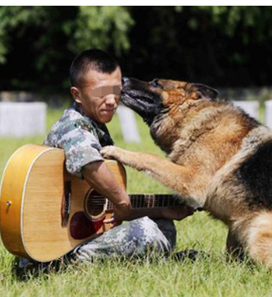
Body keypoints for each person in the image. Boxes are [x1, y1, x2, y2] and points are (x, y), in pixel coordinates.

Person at [18, 49, 194, 270]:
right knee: (147, 233)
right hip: (45, 250)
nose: (112, 100)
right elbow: (89, 164)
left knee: (163, 225)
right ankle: (58, 266)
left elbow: (106, 206)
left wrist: (161, 208)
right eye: (102, 92)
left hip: (74, 236)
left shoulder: (96, 127)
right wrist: (122, 202)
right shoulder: (73, 124)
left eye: (116, 90)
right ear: (77, 95)